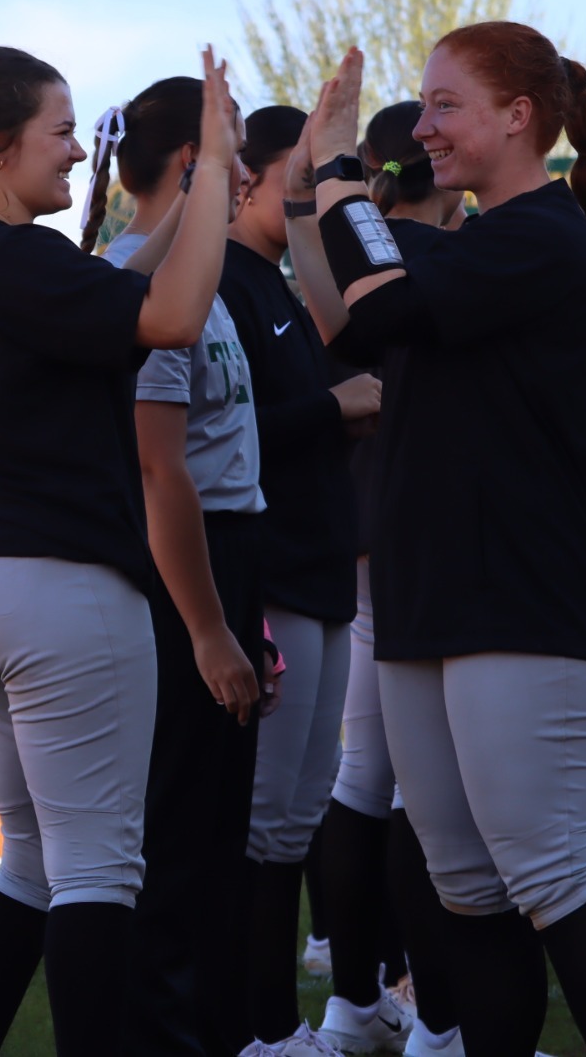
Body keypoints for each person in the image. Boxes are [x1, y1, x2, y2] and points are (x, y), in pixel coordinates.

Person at [286, 30, 586, 1056]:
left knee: (549, 872)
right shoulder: (464, 245)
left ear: (518, 116)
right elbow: (342, 308)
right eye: (418, 106)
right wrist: (312, 190)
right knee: (465, 888)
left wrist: (339, 170)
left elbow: (381, 290)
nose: (420, 128)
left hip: (515, 595)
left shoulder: (541, 231)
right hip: (424, 594)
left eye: (443, 105)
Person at [0, 45, 236, 1055]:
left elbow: (114, 278)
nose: (77, 152)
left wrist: (184, 203)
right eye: (58, 131)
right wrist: (215, 180)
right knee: (99, 870)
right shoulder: (14, 257)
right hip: (58, 586)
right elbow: (173, 315)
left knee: (32, 863)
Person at [84, 74, 277, 1056]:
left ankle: (216, 1031)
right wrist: (207, 628)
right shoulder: (146, 282)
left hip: (226, 563)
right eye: (231, 148)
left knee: (215, 836)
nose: (244, 170)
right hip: (179, 580)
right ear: (194, 163)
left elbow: (223, 467)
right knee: (173, 835)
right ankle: (162, 1035)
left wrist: (248, 617)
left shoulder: (199, 283)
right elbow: (162, 473)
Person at [220, 103, 379, 1049]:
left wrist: (334, 406)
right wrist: (333, 406)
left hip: (321, 574)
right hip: (273, 576)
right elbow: (215, 440)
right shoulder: (228, 287)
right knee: (259, 826)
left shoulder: (280, 286)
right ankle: (258, 1028)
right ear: (251, 177)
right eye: (300, 171)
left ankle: (273, 1028)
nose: (310, 189)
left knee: (292, 822)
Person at [311, 100, 459, 1054]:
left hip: (368, 538)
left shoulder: (353, 258)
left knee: (365, 780)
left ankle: (357, 1004)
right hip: (432, 543)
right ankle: (439, 1021)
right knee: (422, 796)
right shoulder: (451, 255)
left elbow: (335, 326)